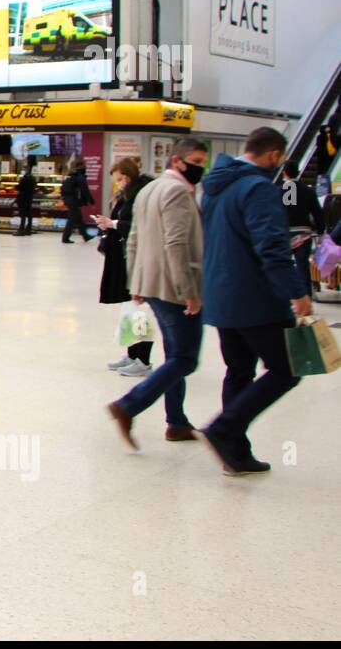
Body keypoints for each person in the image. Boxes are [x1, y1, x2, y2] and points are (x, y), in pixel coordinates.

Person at [200, 127, 312, 475]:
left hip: (220, 294)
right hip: (255, 298)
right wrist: (296, 292)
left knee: (238, 372)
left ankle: (235, 452)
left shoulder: (215, 186)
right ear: (274, 154)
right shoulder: (259, 188)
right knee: (287, 369)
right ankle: (224, 428)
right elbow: (272, 248)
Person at [104, 139, 208, 449]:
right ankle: (128, 406)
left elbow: (134, 238)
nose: (200, 167)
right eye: (196, 160)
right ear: (177, 161)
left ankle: (176, 422)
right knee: (186, 359)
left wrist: (135, 281)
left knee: (176, 355)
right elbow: (176, 244)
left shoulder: (149, 189)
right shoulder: (176, 191)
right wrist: (189, 291)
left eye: (203, 160)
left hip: (152, 283)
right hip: (173, 287)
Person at [94, 158, 155, 378]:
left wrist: (114, 224)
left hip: (137, 261)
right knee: (129, 311)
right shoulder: (127, 196)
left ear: (128, 176)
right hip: (125, 258)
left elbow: (140, 228)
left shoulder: (140, 196)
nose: (118, 183)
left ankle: (143, 359)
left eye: (119, 179)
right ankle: (131, 354)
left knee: (139, 312)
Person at [281, 160, 324, 293]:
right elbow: (317, 213)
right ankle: (306, 299)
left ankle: (287, 297)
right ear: (298, 173)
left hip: (284, 235)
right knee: (302, 267)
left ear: (284, 173)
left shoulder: (280, 190)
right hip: (303, 235)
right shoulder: (308, 191)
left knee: (283, 266)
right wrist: (320, 229)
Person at [60, 158, 94, 244]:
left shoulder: (71, 175)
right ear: (82, 168)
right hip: (73, 200)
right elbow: (85, 191)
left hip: (68, 199)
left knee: (78, 218)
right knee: (72, 218)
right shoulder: (80, 177)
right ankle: (65, 238)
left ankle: (85, 236)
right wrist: (92, 201)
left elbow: (62, 188)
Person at [15, 156, 37, 235]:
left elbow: (19, 187)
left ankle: (21, 229)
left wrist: (17, 185)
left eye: (24, 168)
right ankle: (28, 228)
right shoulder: (33, 178)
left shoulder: (25, 178)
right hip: (29, 198)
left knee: (23, 214)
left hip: (23, 198)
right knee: (29, 213)